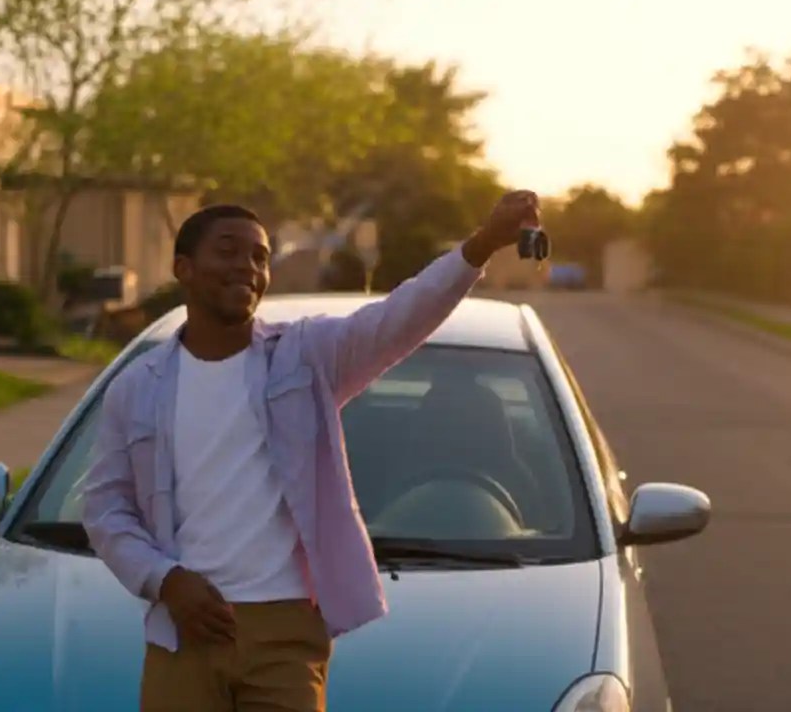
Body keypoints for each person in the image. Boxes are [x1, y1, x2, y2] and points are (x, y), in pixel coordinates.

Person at [81, 190, 541, 712]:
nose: (247, 267)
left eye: (260, 257)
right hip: (183, 627)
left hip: (285, 632)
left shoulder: (304, 357)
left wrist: (482, 244)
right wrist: (165, 581)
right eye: (228, 251)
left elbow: (400, 316)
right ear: (183, 268)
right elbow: (105, 508)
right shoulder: (137, 386)